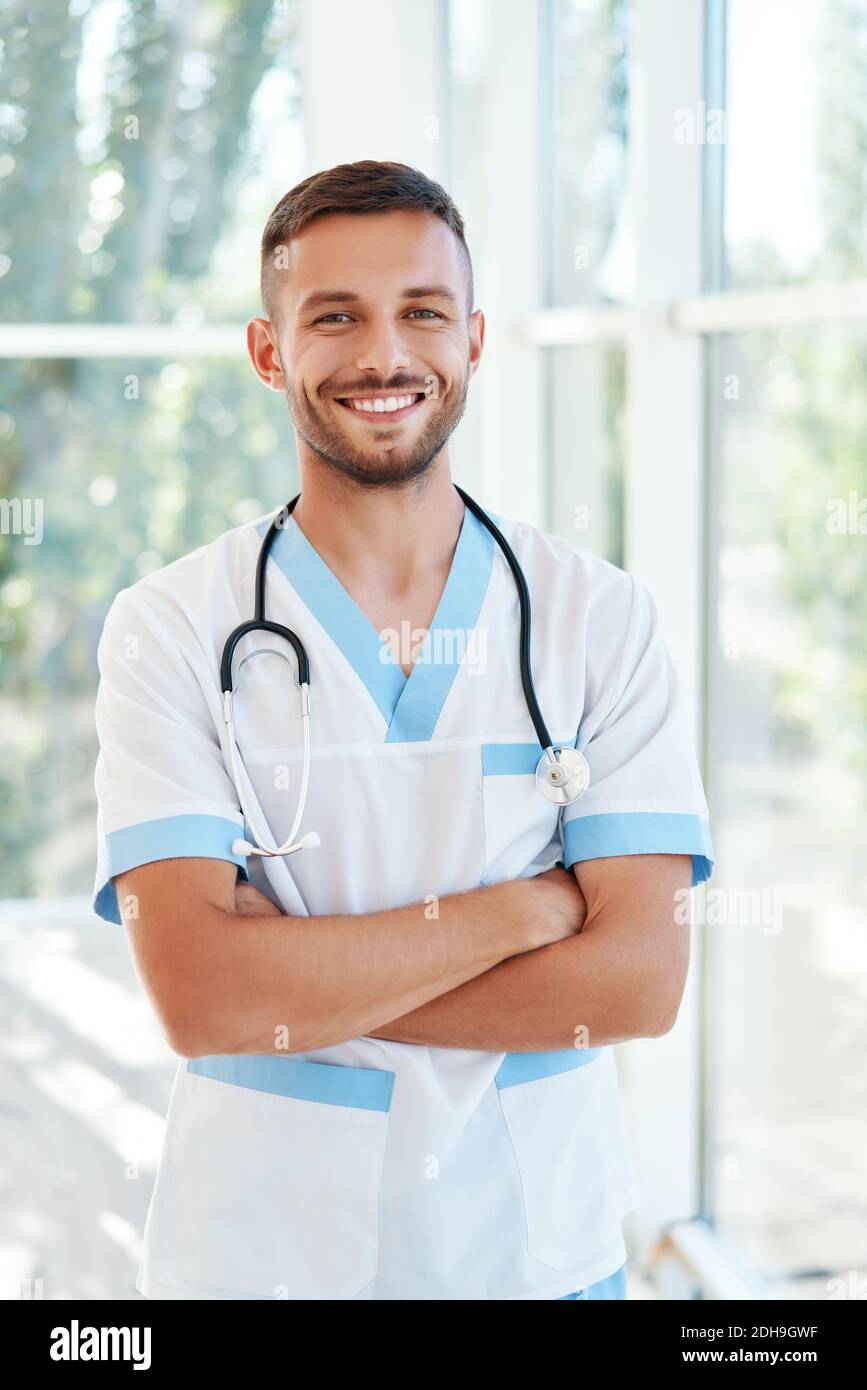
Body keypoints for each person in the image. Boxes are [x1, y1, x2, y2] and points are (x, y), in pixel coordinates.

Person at [92, 160, 714, 1301]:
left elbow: (636, 983)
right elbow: (204, 999)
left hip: (539, 1254)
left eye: (422, 313)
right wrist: (530, 911)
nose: (385, 355)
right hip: (265, 1257)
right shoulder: (171, 629)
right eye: (336, 316)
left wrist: (299, 976)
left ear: (473, 339)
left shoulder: (598, 617)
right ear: (271, 351)